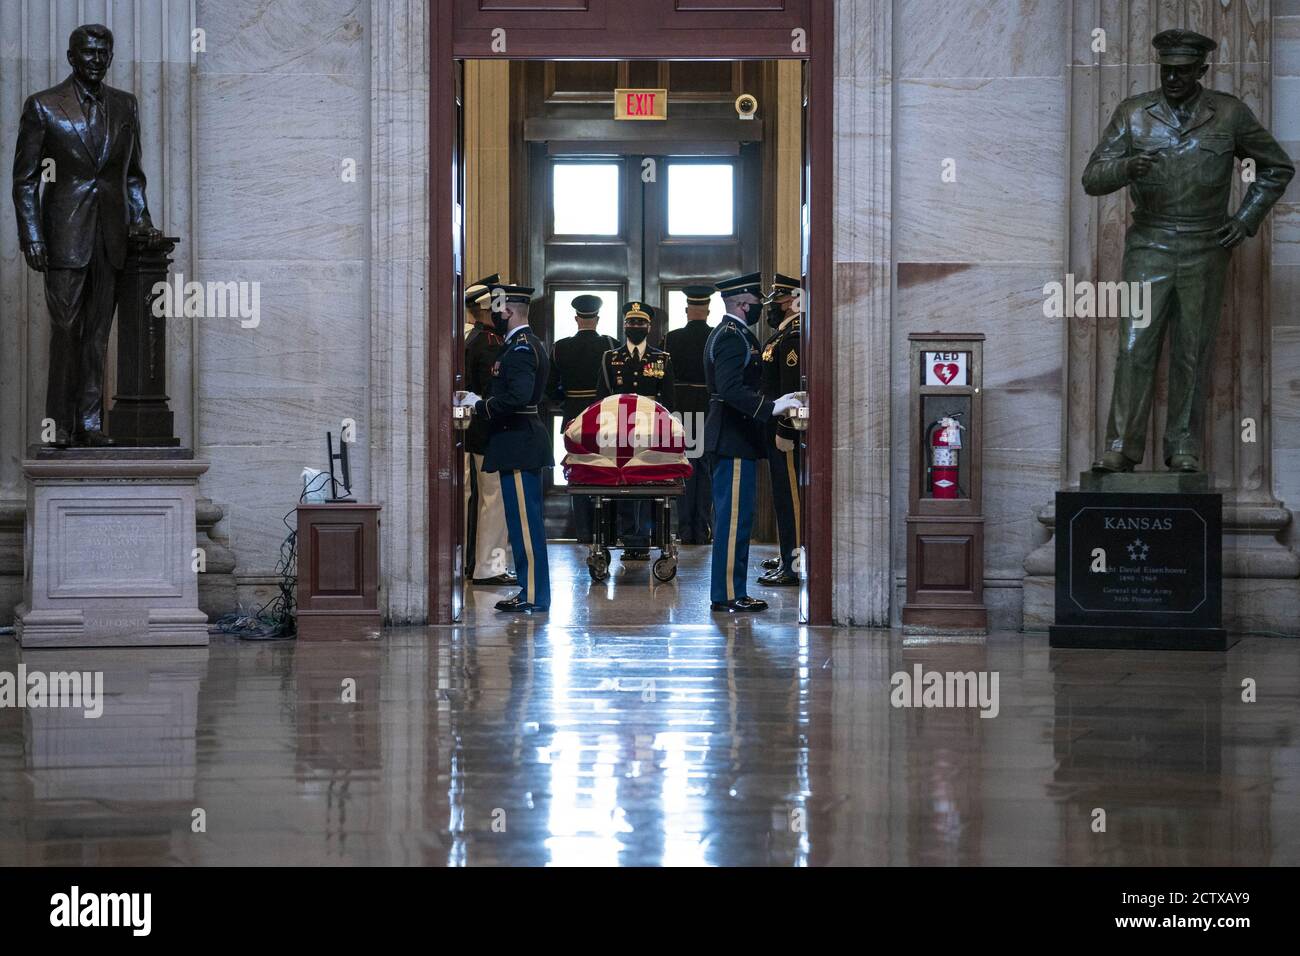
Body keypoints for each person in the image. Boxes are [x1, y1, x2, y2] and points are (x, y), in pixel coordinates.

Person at [1083, 28, 1293, 473]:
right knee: (1135, 346)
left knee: (1192, 349)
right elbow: (1092, 178)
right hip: (1149, 244)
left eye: (1182, 71)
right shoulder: (1134, 114)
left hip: (1205, 245)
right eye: (1166, 70)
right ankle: (1120, 446)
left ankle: (1183, 445)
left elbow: (1277, 166)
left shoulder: (1229, 114)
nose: (1173, 78)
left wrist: (1246, 218)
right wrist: (1126, 166)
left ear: (1202, 69)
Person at [12, 23, 163, 448]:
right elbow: (25, 180)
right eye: (89, 53)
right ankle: (59, 425)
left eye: (104, 53)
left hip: (111, 237)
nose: (97, 60)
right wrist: (32, 236)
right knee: (66, 329)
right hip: (63, 236)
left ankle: (90, 423)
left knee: (98, 334)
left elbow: (132, 176)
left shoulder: (125, 105)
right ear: (71, 57)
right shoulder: (44, 106)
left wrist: (143, 220)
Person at [704, 273, 803, 613]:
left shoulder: (736, 334)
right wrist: (772, 407)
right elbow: (730, 389)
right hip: (732, 438)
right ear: (744, 304)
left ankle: (732, 590)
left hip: (737, 438)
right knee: (733, 522)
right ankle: (728, 594)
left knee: (739, 519)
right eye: (758, 303)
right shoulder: (732, 337)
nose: (762, 307)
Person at [456, 285, 551, 613]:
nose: (494, 315)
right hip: (515, 441)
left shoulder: (522, 349)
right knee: (520, 523)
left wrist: (480, 404)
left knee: (525, 527)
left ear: (508, 312)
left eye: (498, 310)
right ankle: (530, 591)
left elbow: (518, 398)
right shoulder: (517, 345)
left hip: (520, 441)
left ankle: (535, 594)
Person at [596, 301, 677, 560]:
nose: (635, 327)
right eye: (631, 322)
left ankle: (646, 538)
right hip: (618, 431)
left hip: (650, 430)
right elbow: (602, 396)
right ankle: (627, 537)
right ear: (624, 326)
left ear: (649, 327)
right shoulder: (611, 357)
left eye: (640, 323)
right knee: (623, 485)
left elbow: (670, 400)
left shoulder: (661, 359)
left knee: (650, 484)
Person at [546, 294, 616, 543]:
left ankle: (584, 533)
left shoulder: (560, 347)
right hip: (603, 417)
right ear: (597, 318)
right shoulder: (610, 344)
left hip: (573, 416)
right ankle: (605, 530)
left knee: (578, 473)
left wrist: (565, 401)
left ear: (576, 318)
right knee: (605, 473)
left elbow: (549, 388)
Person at [462, 274, 517, 587]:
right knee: (494, 502)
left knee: (479, 500)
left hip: (474, 432)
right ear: (487, 307)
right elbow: (492, 392)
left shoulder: (472, 339)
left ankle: (475, 563)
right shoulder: (492, 343)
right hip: (490, 431)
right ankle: (490, 566)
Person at [757, 274, 802, 587]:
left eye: (778, 301)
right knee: (782, 498)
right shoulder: (780, 336)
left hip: (786, 434)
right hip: (773, 429)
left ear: (791, 301)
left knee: (791, 500)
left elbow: (793, 394)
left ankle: (794, 563)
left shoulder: (794, 337)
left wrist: (786, 430)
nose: (772, 307)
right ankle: (787, 553)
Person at [664, 285, 716, 545]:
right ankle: (703, 527)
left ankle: (684, 529)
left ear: (686, 310)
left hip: (681, 408)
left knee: (684, 468)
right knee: (704, 469)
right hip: (707, 408)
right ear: (708, 310)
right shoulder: (717, 335)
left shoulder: (671, 339)